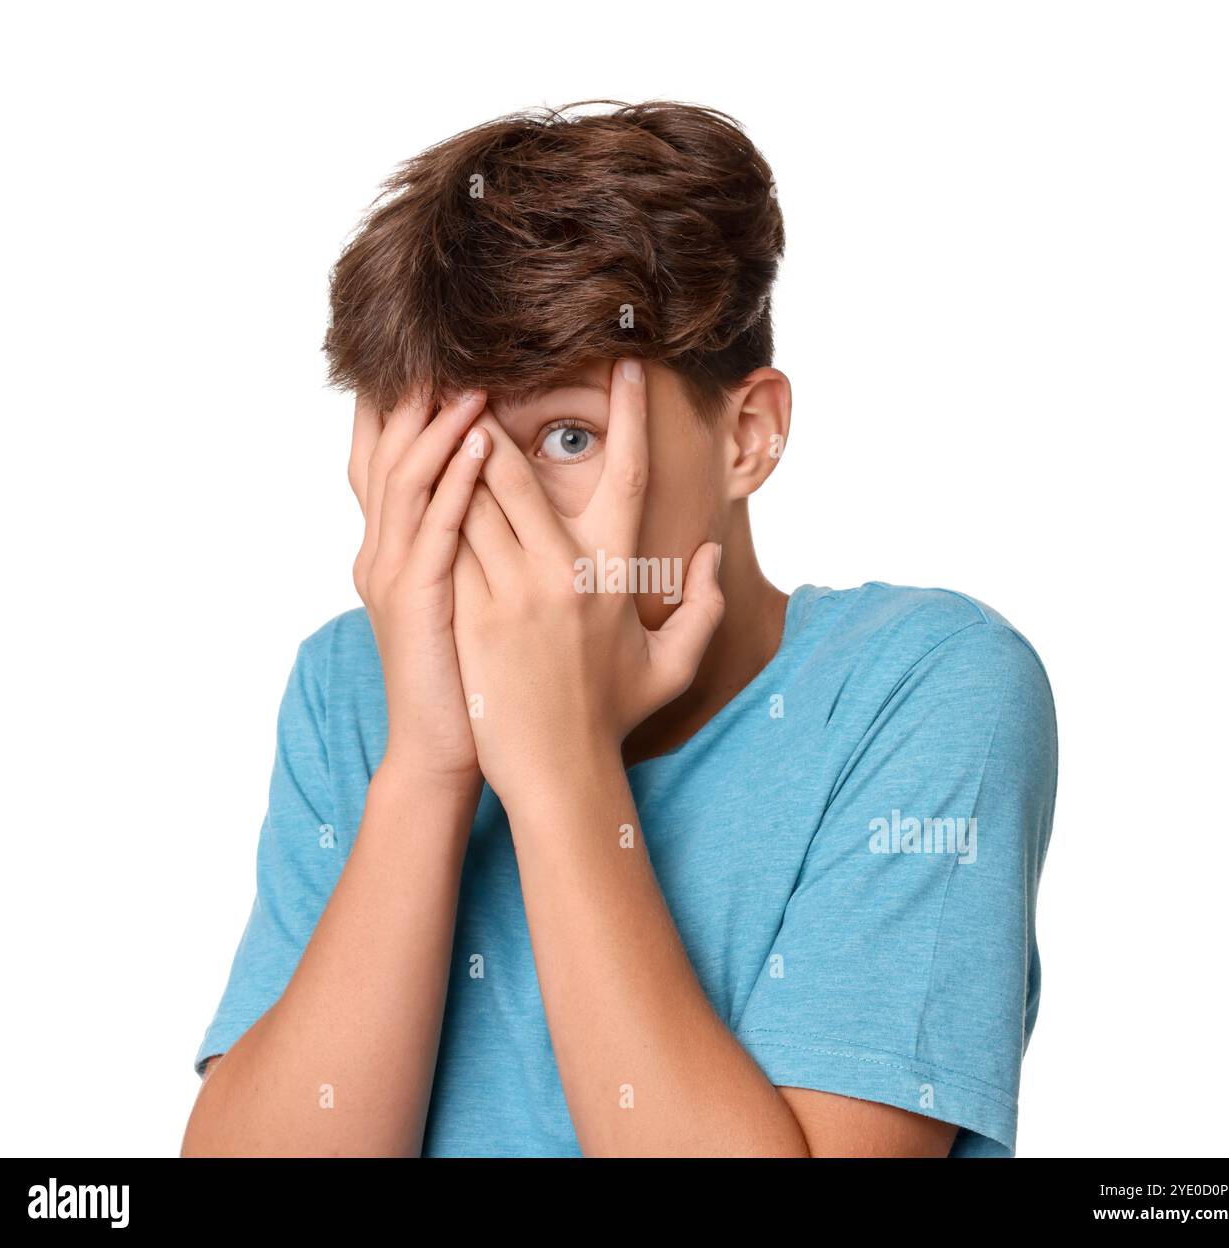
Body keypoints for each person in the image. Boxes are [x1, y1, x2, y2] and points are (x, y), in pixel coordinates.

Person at [181, 100, 1058, 1158]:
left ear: (747, 437)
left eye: (565, 435)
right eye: (448, 453)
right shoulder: (354, 683)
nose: (497, 514)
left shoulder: (917, 685)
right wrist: (427, 764)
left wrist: (558, 763)